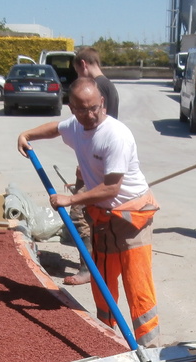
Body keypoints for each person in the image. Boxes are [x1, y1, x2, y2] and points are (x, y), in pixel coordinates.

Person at [17, 78, 160, 347]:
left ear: (102, 102)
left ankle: (150, 349)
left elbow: (111, 187)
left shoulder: (114, 135)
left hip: (132, 217)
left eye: (95, 107)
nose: (91, 115)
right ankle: (107, 338)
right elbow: (56, 129)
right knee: (102, 283)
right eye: (83, 110)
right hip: (104, 219)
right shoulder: (76, 125)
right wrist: (26, 135)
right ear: (72, 108)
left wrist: (71, 199)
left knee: (137, 285)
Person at [61, 47, 121, 285]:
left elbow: (98, 133)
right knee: (89, 215)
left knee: (78, 214)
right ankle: (96, 263)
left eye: (78, 72)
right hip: (96, 164)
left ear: (83, 64)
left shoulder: (97, 87)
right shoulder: (107, 85)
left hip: (99, 167)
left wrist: (87, 166)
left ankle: (88, 268)